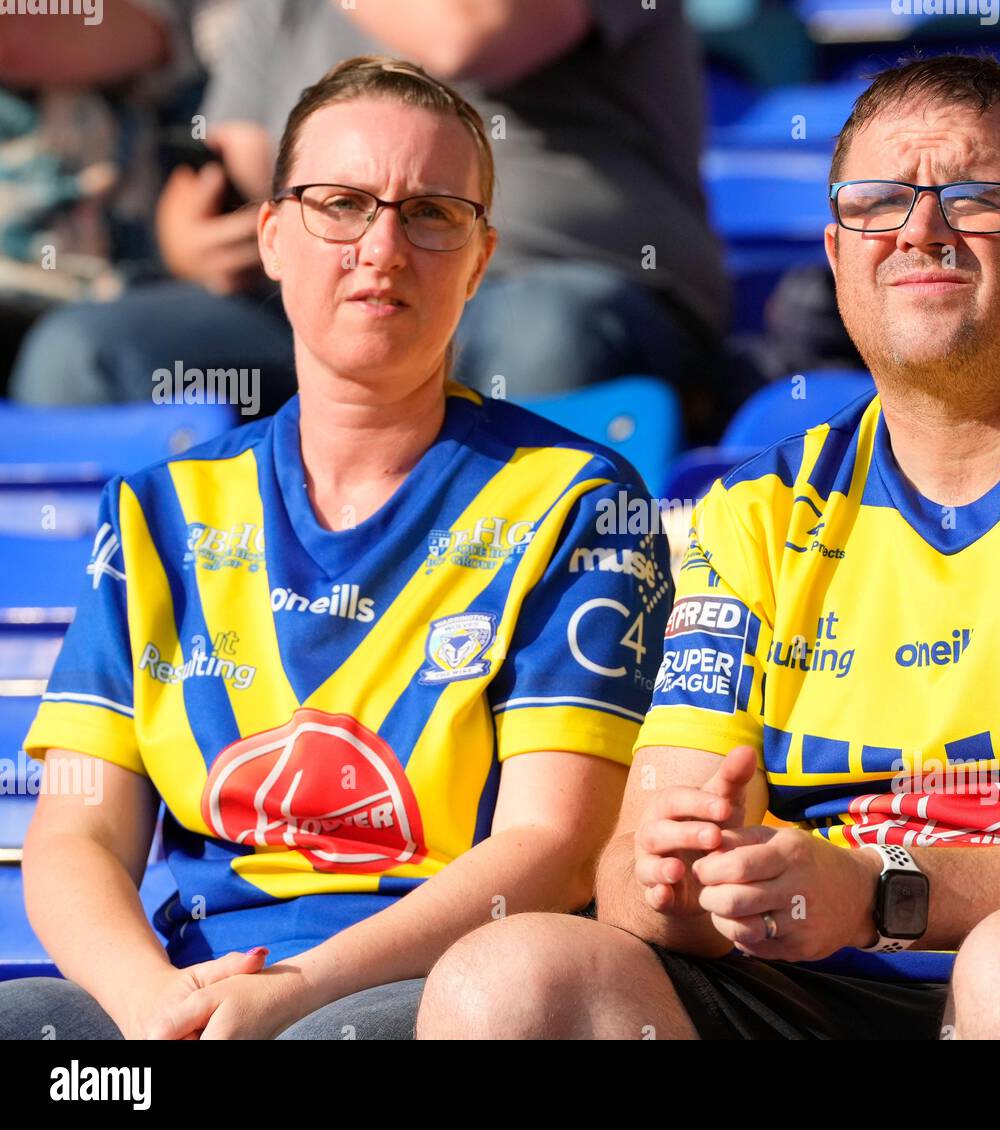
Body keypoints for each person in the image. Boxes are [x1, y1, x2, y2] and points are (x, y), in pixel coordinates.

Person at [415, 54, 1000, 1041]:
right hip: (822, 984)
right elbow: (630, 878)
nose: (919, 230)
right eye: (878, 202)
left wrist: (881, 890)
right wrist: (679, 879)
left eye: (975, 199)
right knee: (511, 974)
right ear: (838, 257)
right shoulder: (755, 509)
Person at [0, 56, 670, 1041]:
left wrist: (298, 989)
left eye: (431, 213)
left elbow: (555, 847)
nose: (382, 246)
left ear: (481, 257)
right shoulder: (159, 509)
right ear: (272, 236)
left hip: (433, 981)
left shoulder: (575, 502)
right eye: (342, 204)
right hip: (190, 985)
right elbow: (77, 835)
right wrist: (154, 1007)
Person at [10, 0, 732, 429]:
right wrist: (190, 240)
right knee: (82, 358)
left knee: (539, 337)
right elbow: (246, 163)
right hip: (336, 300)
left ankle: (497, 619)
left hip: (554, 285)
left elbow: (472, 31)